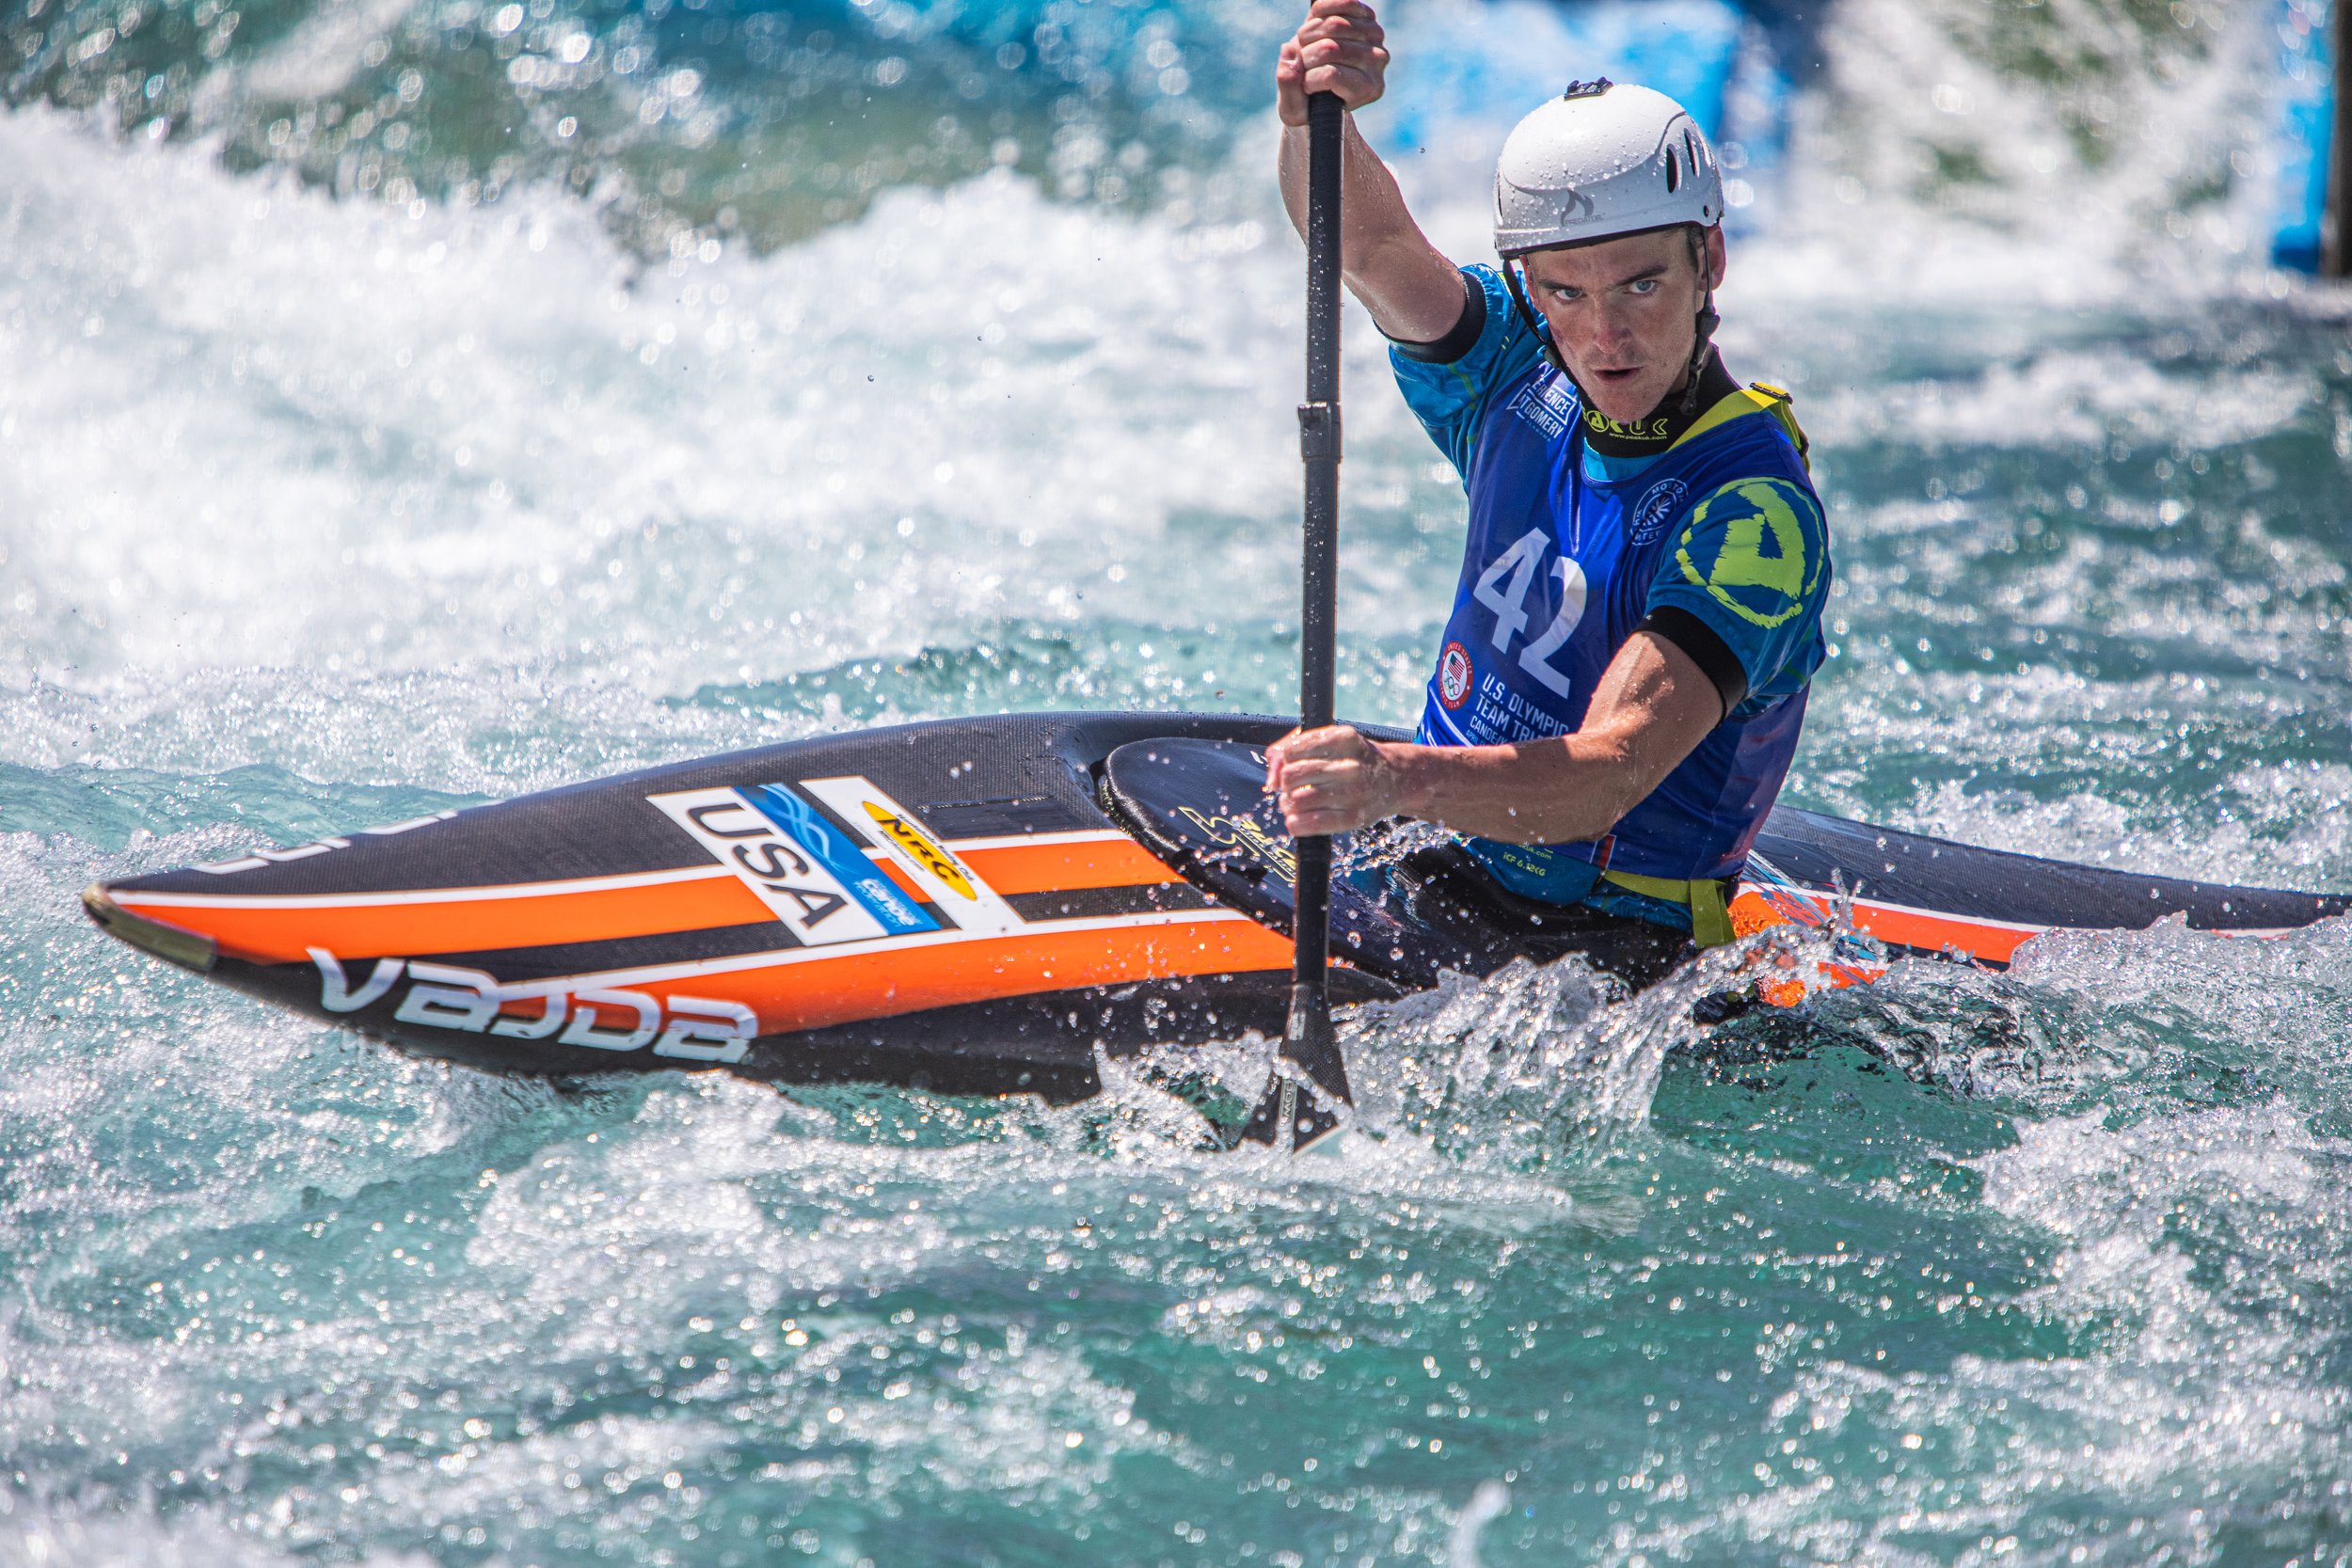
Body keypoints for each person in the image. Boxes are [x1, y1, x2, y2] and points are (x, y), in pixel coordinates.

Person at [1263, 0, 1833, 984]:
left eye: (1639, 287)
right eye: (1566, 293)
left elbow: (1608, 772)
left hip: (1606, 957)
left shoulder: (1752, 512)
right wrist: (1317, 113)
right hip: (1432, 859)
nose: (1605, 336)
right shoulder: (1511, 372)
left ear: (1710, 261)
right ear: (1529, 289)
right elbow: (1364, 249)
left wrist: (1393, 777)